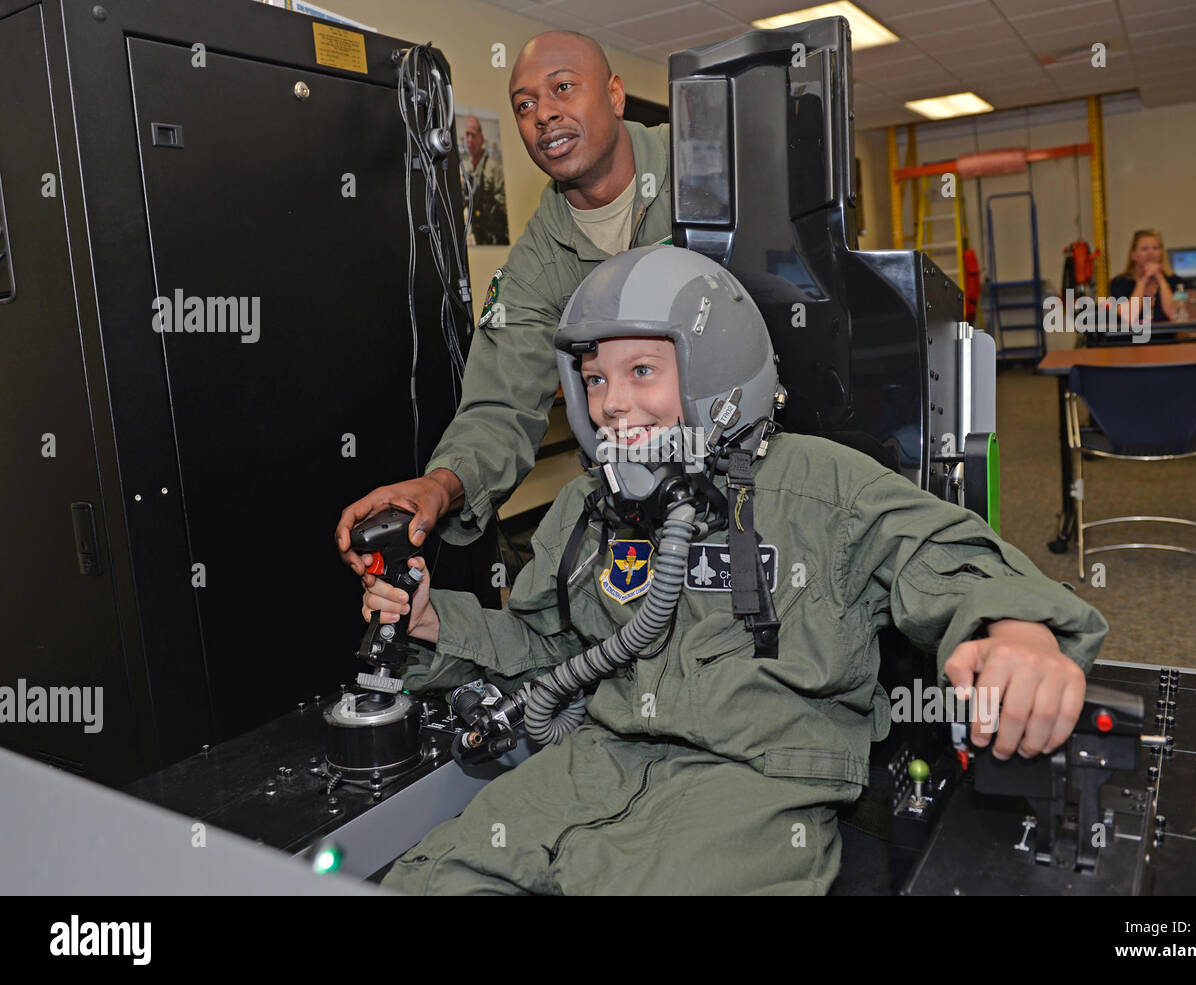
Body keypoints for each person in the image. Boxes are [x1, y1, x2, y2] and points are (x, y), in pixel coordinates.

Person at [363, 246, 1107, 895]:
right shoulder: (588, 510)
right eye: (593, 380)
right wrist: (436, 624)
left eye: (642, 370)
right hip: (588, 769)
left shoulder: (820, 485)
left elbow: (943, 554)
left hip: (752, 793)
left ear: (716, 371)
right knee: (433, 875)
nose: (613, 403)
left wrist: (1017, 631)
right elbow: (549, 653)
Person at [336, 31, 672, 576]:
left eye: (563, 87)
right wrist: (441, 484)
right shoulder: (535, 266)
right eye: (525, 105)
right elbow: (501, 406)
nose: (543, 114)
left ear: (614, 95)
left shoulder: (702, 169)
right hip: (640, 496)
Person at [1109, 229, 1185, 324]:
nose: (1151, 253)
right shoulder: (1119, 282)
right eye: (1144, 249)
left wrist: (1160, 278)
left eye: (1155, 248)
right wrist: (1144, 279)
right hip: (1130, 338)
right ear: (1133, 255)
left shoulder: (1175, 281)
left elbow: (1176, 315)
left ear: (1161, 253)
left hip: (1164, 337)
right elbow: (1129, 316)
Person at [462, 114, 509, 245]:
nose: (469, 140)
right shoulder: (467, 168)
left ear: (481, 138)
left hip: (493, 234)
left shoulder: (493, 168)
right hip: (477, 232)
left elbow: (503, 202)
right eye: (467, 135)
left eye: (473, 135)